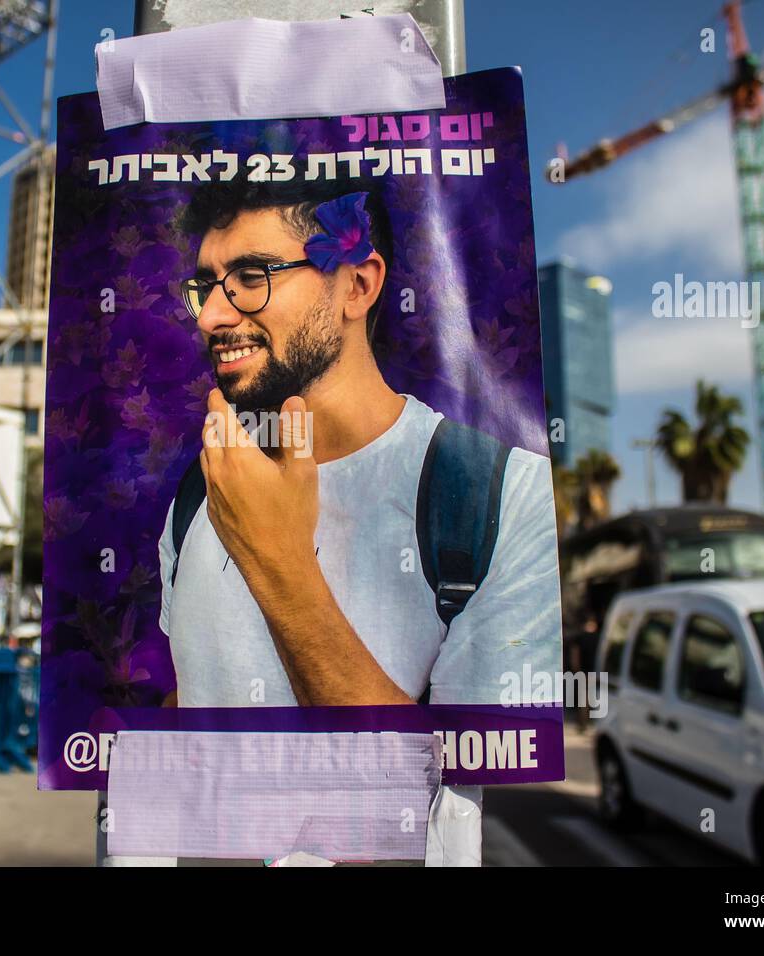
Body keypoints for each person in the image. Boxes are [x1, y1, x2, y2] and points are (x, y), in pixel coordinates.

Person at [154, 178, 562, 866]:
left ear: (357, 285)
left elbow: (416, 812)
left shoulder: (499, 494)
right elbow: (185, 722)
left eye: (251, 277)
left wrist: (279, 564)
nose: (212, 317)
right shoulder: (203, 488)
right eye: (205, 286)